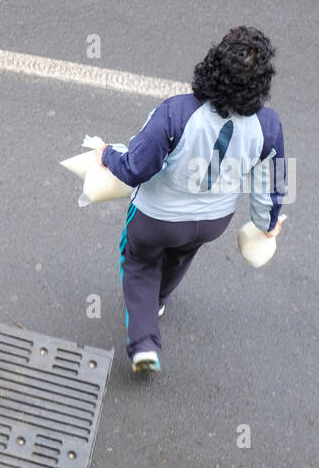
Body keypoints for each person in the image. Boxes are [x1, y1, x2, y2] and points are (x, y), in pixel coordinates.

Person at [101, 26, 287, 374]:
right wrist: (267, 224)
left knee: (139, 265)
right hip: (213, 221)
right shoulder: (270, 126)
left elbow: (135, 168)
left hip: (156, 218)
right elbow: (273, 185)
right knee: (182, 254)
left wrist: (106, 154)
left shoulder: (177, 113)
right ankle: (157, 301)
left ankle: (144, 343)